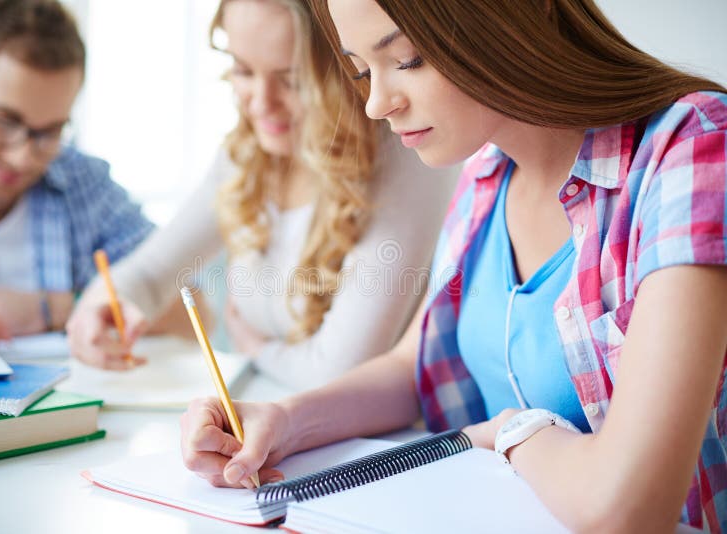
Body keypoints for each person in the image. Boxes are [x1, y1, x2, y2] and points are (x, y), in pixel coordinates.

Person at [178, 0, 727, 531]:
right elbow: (412, 369)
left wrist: (516, 432)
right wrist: (284, 422)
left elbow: (628, 508)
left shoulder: (692, 148)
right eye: (362, 69)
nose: (376, 103)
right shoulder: (487, 174)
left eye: (408, 59)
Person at [65, 0, 458, 386]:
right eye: (243, 70)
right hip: (272, 420)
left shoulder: (404, 155)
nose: (261, 103)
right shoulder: (246, 153)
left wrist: (255, 349)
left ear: (349, 68)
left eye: (292, 79)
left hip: (378, 443)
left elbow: (339, 373)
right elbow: (151, 273)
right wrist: (99, 308)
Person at [0, 0, 153, 342]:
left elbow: (189, 304)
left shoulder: (84, 184)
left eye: (49, 132)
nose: (22, 157)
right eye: (4, 121)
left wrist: (51, 309)